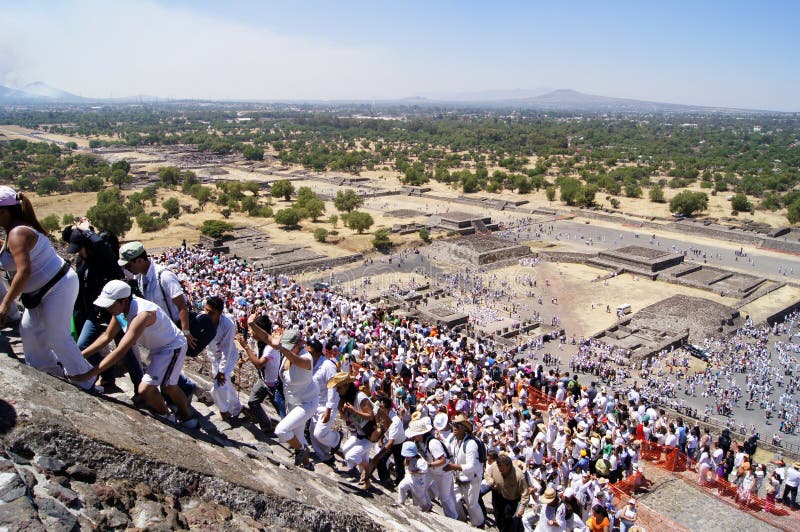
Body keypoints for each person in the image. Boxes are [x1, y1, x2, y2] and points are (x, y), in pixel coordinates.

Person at [0, 186, 96, 390]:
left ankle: (85, 378)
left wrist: (5, 304)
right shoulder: (13, 231)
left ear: (4, 212)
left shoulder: (18, 233)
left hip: (57, 286)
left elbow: (23, 272)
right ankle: (47, 373)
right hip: (40, 292)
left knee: (57, 333)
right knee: (29, 331)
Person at [75, 280, 197, 428]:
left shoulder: (142, 314)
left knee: (164, 387)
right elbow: (107, 336)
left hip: (171, 346)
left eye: (110, 304)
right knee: (155, 388)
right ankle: (167, 415)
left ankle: (185, 416)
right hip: (157, 347)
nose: (107, 308)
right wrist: (80, 355)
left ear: (124, 300)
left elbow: (121, 351)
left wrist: (90, 374)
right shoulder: (121, 310)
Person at [64, 224, 141, 394]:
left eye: (81, 248)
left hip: (117, 311)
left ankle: (139, 388)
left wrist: (88, 231)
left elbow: (102, 248)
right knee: (83, 345)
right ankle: (107, 373)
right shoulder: (83, 261)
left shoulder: (107, 261)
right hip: (96, 312)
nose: (78, 253)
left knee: (125, 349)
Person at [117, 241, 197, 401]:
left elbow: (181, 305)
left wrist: (186, 331)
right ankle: (184, 388)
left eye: (128, 264)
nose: (127, 269)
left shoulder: (164, 275)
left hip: (172, 327)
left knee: (166, 364)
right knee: (164, 363)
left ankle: (183, 393)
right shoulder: (142, 277)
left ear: (139, 261)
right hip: (160, 327)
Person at [262, 326, 317, 468]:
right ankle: (307, 465)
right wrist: (252, 325)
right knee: (298, 436)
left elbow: (296, 359)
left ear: (299, 344)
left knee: (281, 431)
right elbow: (267, 339)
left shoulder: (306, 358)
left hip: (306, 403)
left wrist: (282, 349)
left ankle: (301, 450)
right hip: (292, 402)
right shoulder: (288, 354)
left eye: (290, 347)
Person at [406, 416, 459, 519]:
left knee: (445, 497)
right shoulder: (417, 442)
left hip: (443, 471)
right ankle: (426, 505)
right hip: (431, 470)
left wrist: (429, 465)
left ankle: (453, 518)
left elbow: (442, 459)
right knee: (419, 486)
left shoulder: (432, 443)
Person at [329, 371, 376, 487]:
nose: (337, 390)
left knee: (352, 456)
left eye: (339, 387)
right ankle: (366, 480)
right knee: (346, 449)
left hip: (370, 434)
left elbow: (370, 416)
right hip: (359, 433)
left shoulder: (360, 397)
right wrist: (342, 410)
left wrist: (354, 411)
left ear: (346, 386)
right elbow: (348, 420)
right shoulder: (347, 399)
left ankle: (368, 468)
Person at [236, 313, 281, 435]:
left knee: (281, 411)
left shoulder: (270, 347)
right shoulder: (262, 343)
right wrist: (245, 359)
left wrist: (246, 347)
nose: (251, 333)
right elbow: (258, 356)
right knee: (253, 402)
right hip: (263, 380)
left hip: (273, 385)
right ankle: (266, 426)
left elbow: (259, 364)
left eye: (253, 330)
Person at [204, 296, 242, 420]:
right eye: (207, 310)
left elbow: (227, 350)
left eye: (212, 312)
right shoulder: (203, 319)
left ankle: (224, 410)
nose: (208, 314)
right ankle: (236, 407)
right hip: (214, 356)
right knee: (225, 384)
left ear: (220, 313)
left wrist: (221, 371)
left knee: (217, 387)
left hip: (228, 356)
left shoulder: (228, 325)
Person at [446, 413, 485, 527]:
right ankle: (461, 521)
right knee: (455, 500)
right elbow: (447, 451)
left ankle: (478, 525)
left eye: (458, 426)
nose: (454, 428)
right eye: (453, 425)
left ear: (464, 429)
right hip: (459, 477)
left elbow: (471, 467)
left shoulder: (471, 444)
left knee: (472, 505)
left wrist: (454, 467)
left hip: (472, 478)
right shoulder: (453, 440)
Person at [309, 338, 341, 463]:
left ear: (318, 353)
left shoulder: (327, 366)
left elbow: (333, 387)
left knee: (319, 433)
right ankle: (325, 457)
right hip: (315, 402)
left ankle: (337, 439)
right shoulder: (311, 364)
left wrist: (329, 409)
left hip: (327, 404)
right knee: (313, 433)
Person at [486, 453, 528, 532]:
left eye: (502, 469)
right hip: (498, 495)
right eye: (499, 468)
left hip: (511, 499)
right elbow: (487, 474)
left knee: (507, 519)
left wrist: (521, 509)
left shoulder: (519, 475)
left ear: (509, 466)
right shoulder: (495, 466)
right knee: (498, 516)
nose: (500, 471)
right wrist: (490, 481)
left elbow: (524, 494)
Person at [375, 395, 406, 487]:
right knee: (380, 460)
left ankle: (400, 482)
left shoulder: (394, 421)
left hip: (398, 443)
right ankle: (385, 478)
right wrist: (380, 440)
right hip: (389, 440)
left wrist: (381, 452)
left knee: (399, 464)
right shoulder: (383, 416)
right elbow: (381, 428)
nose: (380, 408)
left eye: (382, 406)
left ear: (387, 408)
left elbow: (391, 441)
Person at [395, 441, 432, 511]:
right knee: (401, 487)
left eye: (408, 455)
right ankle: (401, 501)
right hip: (409, 477)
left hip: (418, 480)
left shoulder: (420, 460)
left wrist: (415, 471)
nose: (406, 457)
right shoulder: (407, 459)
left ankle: (426, 505)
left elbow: (424, 471)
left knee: (419, 495)